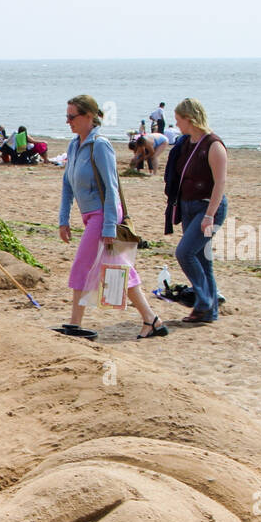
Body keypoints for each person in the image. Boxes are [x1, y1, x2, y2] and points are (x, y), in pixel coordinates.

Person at [57, 94, 162, 339]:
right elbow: (67, 185)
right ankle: (151, 319)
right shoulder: (74, 145)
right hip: (90, 216)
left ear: (89, 117)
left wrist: (109, 227)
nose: (68, 121)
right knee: (117, 267)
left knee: (81, 266)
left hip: (103, 216)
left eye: (72, 117)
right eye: (67, 116)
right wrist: (63, 219)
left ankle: (74, 324)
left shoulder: (100, 145)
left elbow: (112, 188)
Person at [163, 98, 228, 324]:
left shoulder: (213, 145)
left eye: (179, 120)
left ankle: (205, 300)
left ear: (189, 119)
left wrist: (210, 214)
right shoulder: (186, 143)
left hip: (208, 206)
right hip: (188, 205)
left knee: (185, 253)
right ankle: (208, 312)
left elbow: (220, 182)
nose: (176, 124)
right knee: (202, 258)